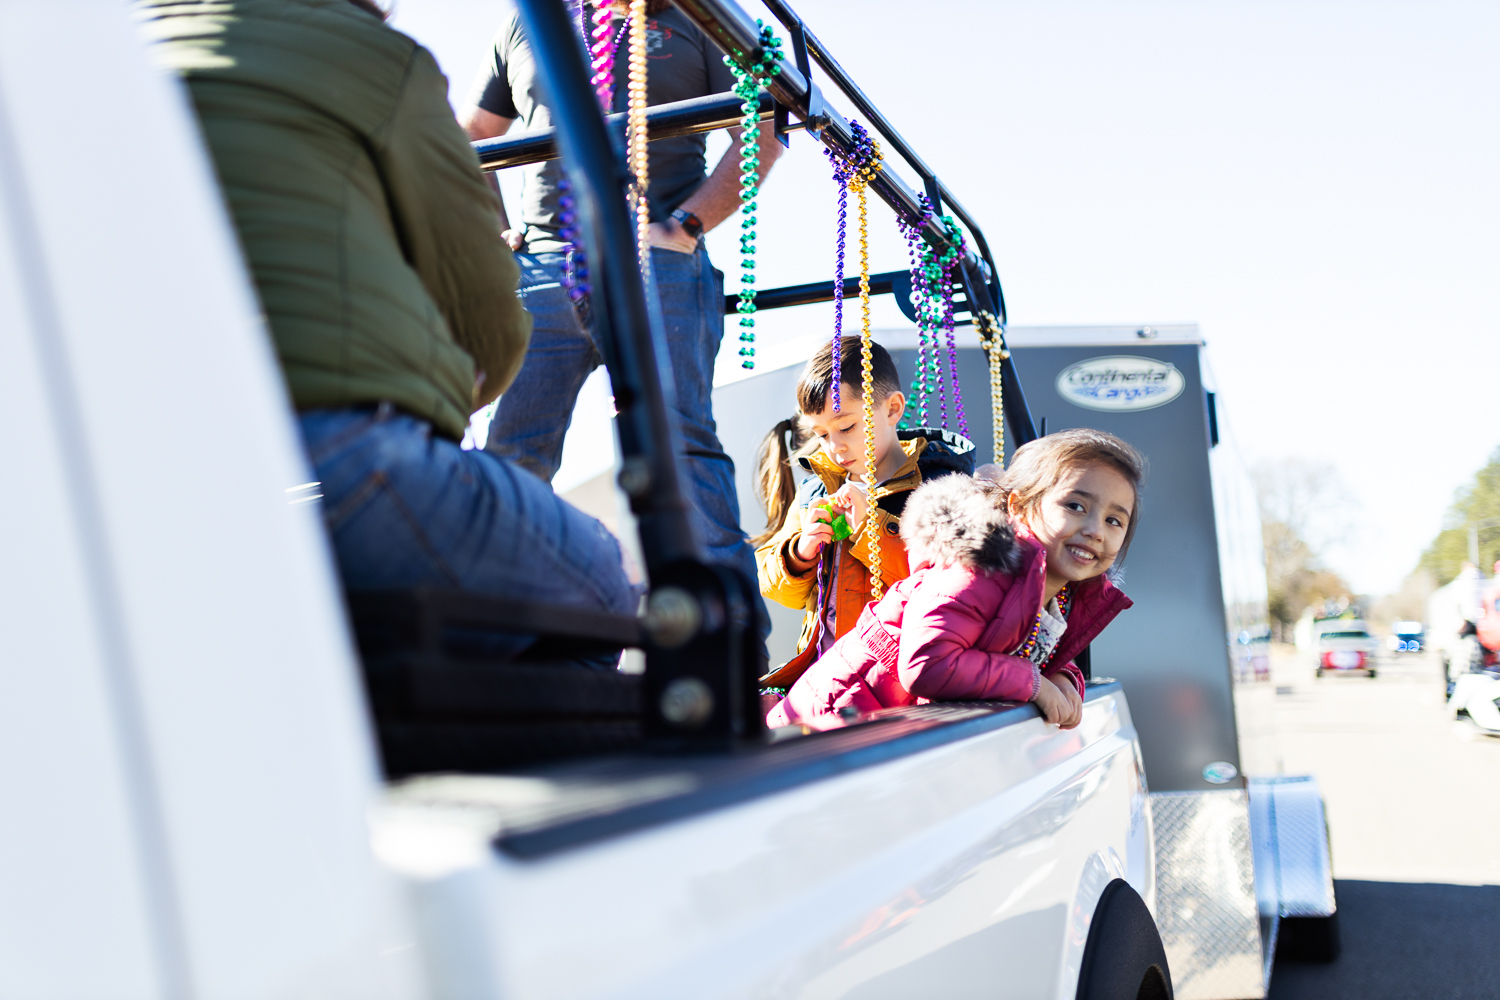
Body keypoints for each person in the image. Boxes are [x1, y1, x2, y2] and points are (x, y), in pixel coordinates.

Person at [139, 0, 636, 639]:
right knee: (606, 586)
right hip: (341, 452)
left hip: (159, 476)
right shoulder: (378, 57)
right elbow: (490, 328)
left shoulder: (113, 57)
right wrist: (445, 388)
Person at [462, 0, 782, 643]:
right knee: (512, 452)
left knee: (680, 445)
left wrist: (686, 225)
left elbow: (763, 134)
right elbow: (472, 136)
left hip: (657, 260)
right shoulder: (528, 20)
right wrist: (497, 231)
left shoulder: (698, 14)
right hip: (543, 264)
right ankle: (490, 640)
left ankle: (727, 645)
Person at [766, 429, 1144, 729]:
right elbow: (926, 665)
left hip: (875, 726)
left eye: (1114, 520)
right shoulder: (979, 569)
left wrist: (1062, 677)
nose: (1096, 530)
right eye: (1075, 506)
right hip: (830, 721)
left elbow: (1024, 648)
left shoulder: (1056, 596)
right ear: (1019, 506)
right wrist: (1034, 684)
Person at [754, 338, 976, 698]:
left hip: (899, 686)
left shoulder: (938, 483)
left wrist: (871, 530)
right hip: (823, 678)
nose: (834, 446)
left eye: (846, 427)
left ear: (893, 409)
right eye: (821, 434)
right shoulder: (816, 491)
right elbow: (777, 589)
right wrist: (799, 554)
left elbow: (949, 588)